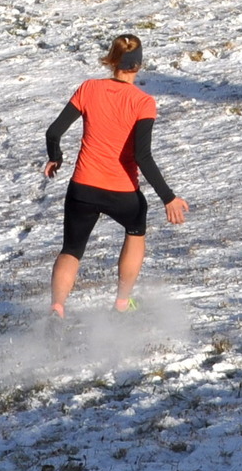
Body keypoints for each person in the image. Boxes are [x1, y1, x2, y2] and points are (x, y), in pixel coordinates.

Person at [42, 34, 189, 315]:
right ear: (139, 64)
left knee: (71, 249)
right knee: (136, 228)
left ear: (112, 59)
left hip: (82, 188)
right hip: (122, 192)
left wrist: (55, 157)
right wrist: (168, 198)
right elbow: (142, 156)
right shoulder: (142, 102)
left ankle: (57, 309)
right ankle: (122, 302)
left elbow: (53, 132)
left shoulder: (88, 89)